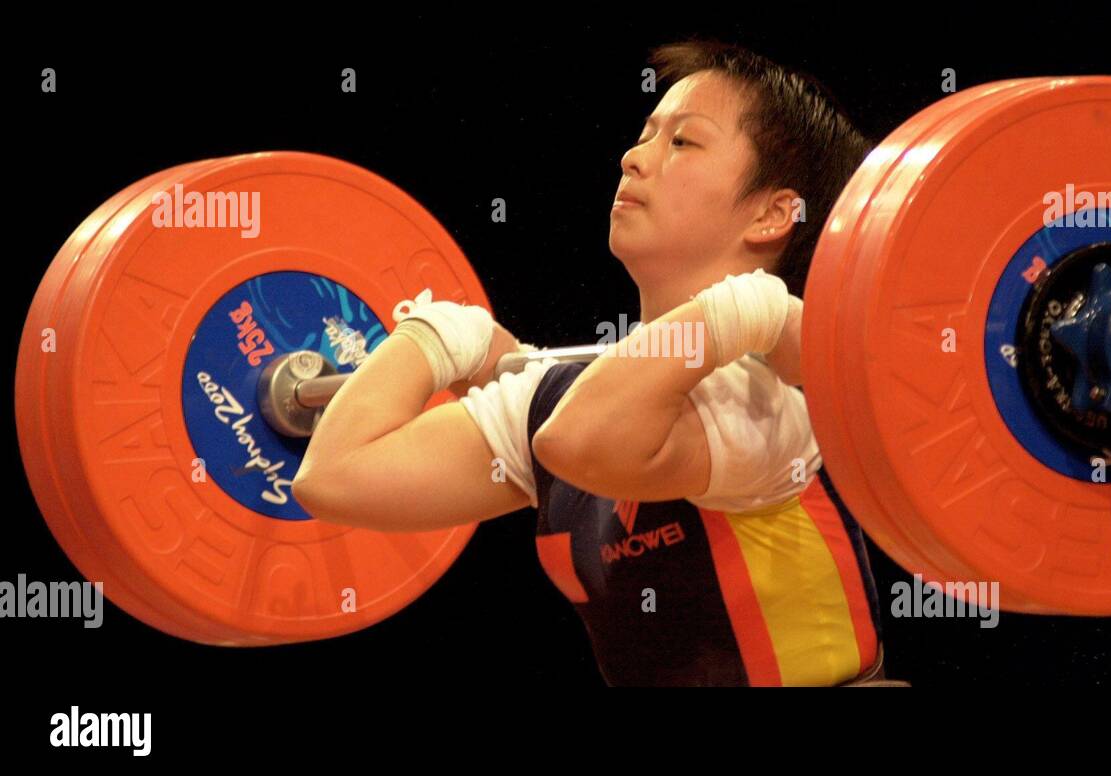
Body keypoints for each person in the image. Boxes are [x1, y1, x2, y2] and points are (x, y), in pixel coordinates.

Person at [294, 38, 900, 687]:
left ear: (773, 213)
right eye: (645, 133)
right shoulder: (555, 395)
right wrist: (434, 338)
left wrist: (748, 314)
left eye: (682, 142)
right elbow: (334, 475)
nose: (633, 156)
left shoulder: (766, 401)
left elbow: (579, 440)